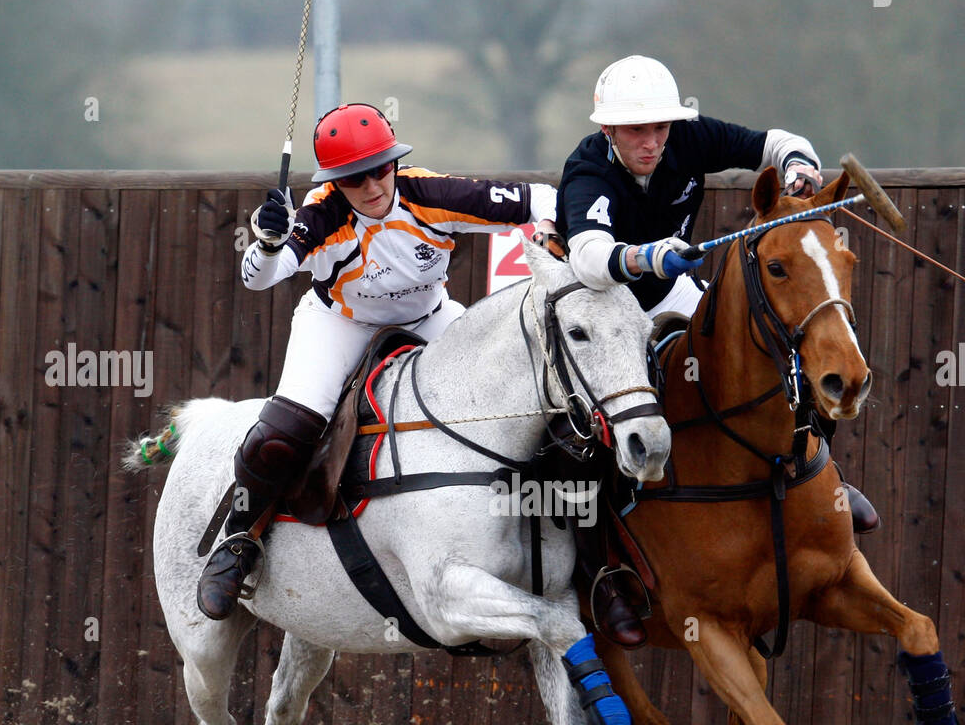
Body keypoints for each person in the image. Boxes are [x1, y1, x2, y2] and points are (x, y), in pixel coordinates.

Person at [553, 55, 878, 646]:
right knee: (591, 425)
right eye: (636, 131)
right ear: (608, 131)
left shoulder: (689, 138)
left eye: (660, 128)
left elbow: (775, 142)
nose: (651, 142)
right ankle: (600, 574)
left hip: (671, 284)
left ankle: (819, 474)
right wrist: (647, 256)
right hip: (603, 302)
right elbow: (589, 258)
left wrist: (799, 166)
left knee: (772, 353)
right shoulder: (587, 174)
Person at [197, 103, 558, 620]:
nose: (371, 187)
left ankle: (550, 529)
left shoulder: (432, 193)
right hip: (340, 322)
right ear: (333, 183)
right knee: (282, 433)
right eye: (353, 179)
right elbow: (259, 278)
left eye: (380, 169)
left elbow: (542, 198)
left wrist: (548, 232)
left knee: (514, 402)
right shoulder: (320, 216)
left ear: (395, 162)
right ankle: (237, 541)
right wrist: (270, 240)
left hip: (428, 317)